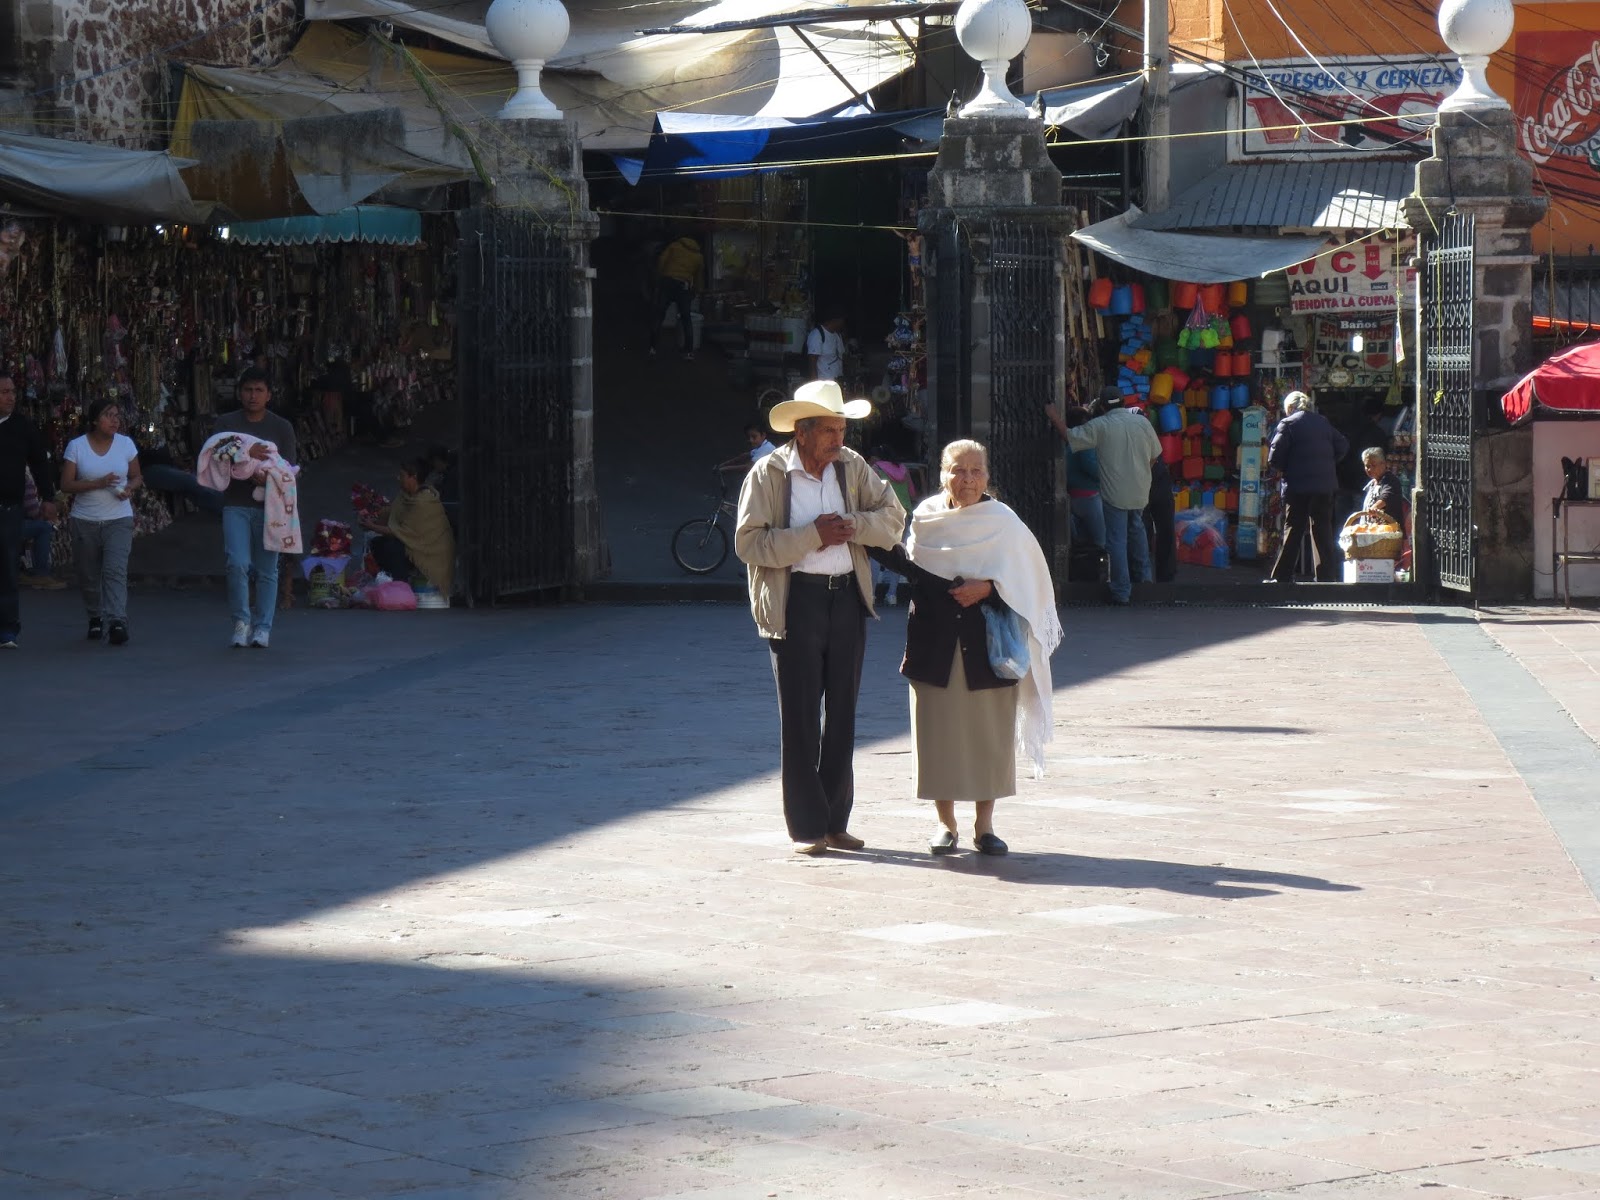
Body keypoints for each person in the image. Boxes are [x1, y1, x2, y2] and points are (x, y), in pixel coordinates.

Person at [734, 379, 906, 856]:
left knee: (843, 715)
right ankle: (808, 827)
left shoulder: (852, 467)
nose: (839, 439)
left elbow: (893, 516)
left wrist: (853, 526)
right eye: (829, 430)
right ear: (802, 432)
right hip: (796, 602)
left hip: (847, 599)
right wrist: (812, 535)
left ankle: (835, 821)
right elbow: (749, 543)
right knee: (801, 718)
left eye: (842, 429)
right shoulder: (769, 473)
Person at [869, 440, 1060, 856]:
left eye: (976, 470)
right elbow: (914, 569)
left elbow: (1030, 581)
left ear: (987, 476)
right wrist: (867, 535)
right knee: (938, 737)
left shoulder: (1004, 522)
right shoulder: (926, 517)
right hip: (933, 642)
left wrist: (988, 588)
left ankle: (985, 826)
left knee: (988, 737)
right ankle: (945, 824)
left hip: (989, 648)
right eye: (958, 470)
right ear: (943, 475)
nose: (968, 479)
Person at [1047, 386, 1162, 605]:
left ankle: (1122, 591)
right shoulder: (1142, 423)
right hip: (1139, 491)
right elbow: (1155, 455)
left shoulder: (1100, 425)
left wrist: (1053, 415)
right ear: (1124, 403)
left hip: (1114, 494)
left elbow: (1070, 437)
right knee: (1137, 531)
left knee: (1117, 540)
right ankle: (1145, 581)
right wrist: (1142, 474)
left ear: (1101, 406)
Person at [213, 367, 297, 648]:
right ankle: (241, 623)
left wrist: (269, 477)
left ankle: (263, 628)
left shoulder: (282, 427)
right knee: (236, 563)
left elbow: (290, 469)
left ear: (269, 395)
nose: (253, 396)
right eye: (248, 390)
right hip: (235, 503)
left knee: (267, 569)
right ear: (240, 393)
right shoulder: (226, 423)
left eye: (259, 390)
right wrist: (246, 457)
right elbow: (215, 457)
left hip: (271, 507)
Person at [59, 398, 141, 645]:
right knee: (88, 574)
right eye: (108, 415)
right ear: (95, 420)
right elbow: (66, 484)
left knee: (115, 570)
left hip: (119, 518)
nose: (115, 420)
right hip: (85, 519)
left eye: (117, 415)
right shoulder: (77, 446)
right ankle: (95, 616)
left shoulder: (126, 444)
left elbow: (137, 476)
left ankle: (117, 620)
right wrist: (98, 483)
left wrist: (130, 488)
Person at [0, 372, 59, 648]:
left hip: (8, 509)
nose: (10, 397)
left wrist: (48, 497)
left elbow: (39, 463)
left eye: (12, 391)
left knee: (7, 567)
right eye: (4, 392)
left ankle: (7, 629)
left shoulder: (22, 426)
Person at [1267, 391, 1348, 583]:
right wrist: (1328, 464)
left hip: (1298, 486)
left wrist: (1287, 467)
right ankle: (1326, 577)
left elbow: (1274, 457)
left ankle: (1283, 576)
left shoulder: (1288, 424)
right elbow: (1343, 445)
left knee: (1293, 528)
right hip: (1324, 486)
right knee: (1322, 529)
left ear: (1290, 407)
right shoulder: (1323, 422)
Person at [360, 459, 456, 598]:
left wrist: (372, 526)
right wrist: (370, 519)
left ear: (413, 477)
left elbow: (399, 532)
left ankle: (401, 588)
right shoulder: (404, 496)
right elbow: (392, 515)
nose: (398, 478)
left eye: (402, 475)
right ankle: (391, 583)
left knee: (393, 547)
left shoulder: (423, 501)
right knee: (378, 543)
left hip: (429, 550)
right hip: (410, 542)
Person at [649, 235, 704, 359]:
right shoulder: (699, 257)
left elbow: (661, 260)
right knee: (686, 318)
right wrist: (696, 291)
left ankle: (653, 348)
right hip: (683, 285)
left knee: (659, 314)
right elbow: (699, 277)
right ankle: (689, 352)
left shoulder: (674, 246)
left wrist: (660, 277)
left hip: (667, 281)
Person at [20, 469, 65, 589]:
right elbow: (32, 510)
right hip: (11, 525)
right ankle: (41, 574)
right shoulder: (24, 478)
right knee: (44, 527)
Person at [805, 314, 846, 382]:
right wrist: (815, 383)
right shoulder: (817, 334)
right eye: (842, 321)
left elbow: (842, 356)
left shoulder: (838, 335)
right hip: (823, 381)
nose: (843, 324)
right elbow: (812, 362)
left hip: (838, 380)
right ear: (835, 320)